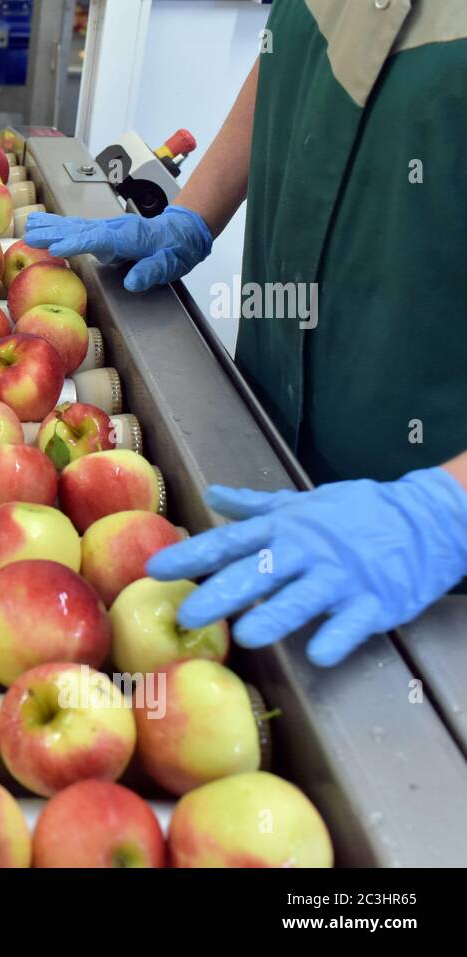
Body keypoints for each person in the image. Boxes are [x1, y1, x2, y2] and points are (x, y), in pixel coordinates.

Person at [23, 0, 467, 666]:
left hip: (417, 538)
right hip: (266, 418)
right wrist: (193, 214)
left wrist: (442, 513)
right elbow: (298, 51)